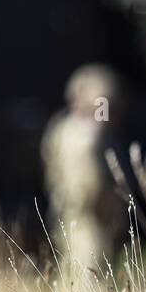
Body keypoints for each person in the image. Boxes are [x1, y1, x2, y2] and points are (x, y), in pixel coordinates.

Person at [41, 64, 126, 270]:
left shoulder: (63, 128)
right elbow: (89, 185)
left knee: (74, 273)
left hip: (72, 215)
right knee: (87, 276)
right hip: (85, 218)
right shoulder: (84, 136)